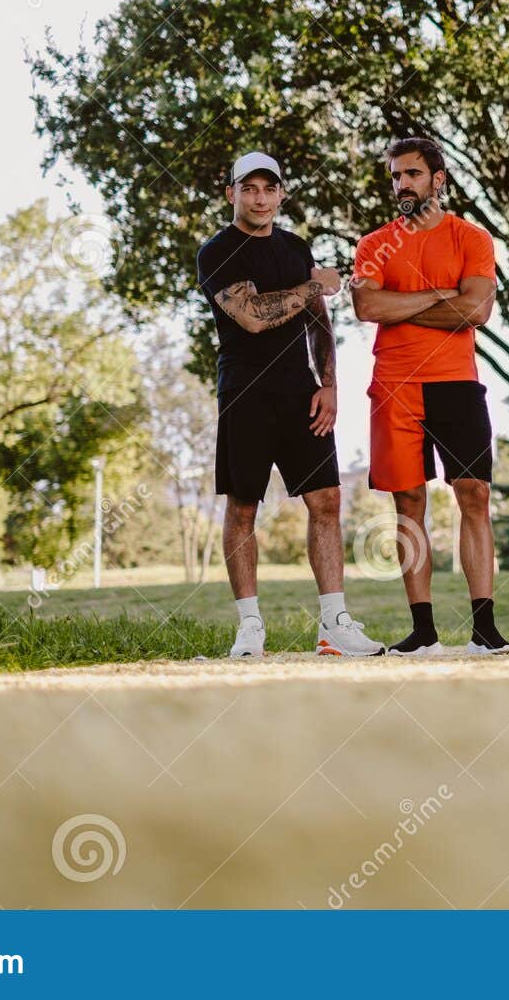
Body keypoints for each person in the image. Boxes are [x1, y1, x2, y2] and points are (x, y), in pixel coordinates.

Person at [196, 151, 384, 659]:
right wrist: (311, 286)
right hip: (244, 391)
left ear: (281, 194)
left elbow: (319, 320)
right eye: (249, 188)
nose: (260, 198)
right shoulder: (217, 252)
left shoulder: (296, 247)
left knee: (327, 500)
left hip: (300, 391)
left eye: (269, 188)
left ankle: (334, 624)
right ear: (231, 193)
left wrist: (329, 383)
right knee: (243, 507)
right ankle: (250, 627)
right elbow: (252, 316)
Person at [350, 137, 509, 656]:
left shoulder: (472, 237)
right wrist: (443, 298)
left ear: (437, 179)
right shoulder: (374, 244)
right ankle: (423, 631)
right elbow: (366, 306)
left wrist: (398, 305)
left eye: (413, 174)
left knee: (475, 496)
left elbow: (477, 312)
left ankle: (484, 628)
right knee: (408, 504)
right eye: (396, 176)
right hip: (393, 385)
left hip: (456, 382)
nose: (403, 185)